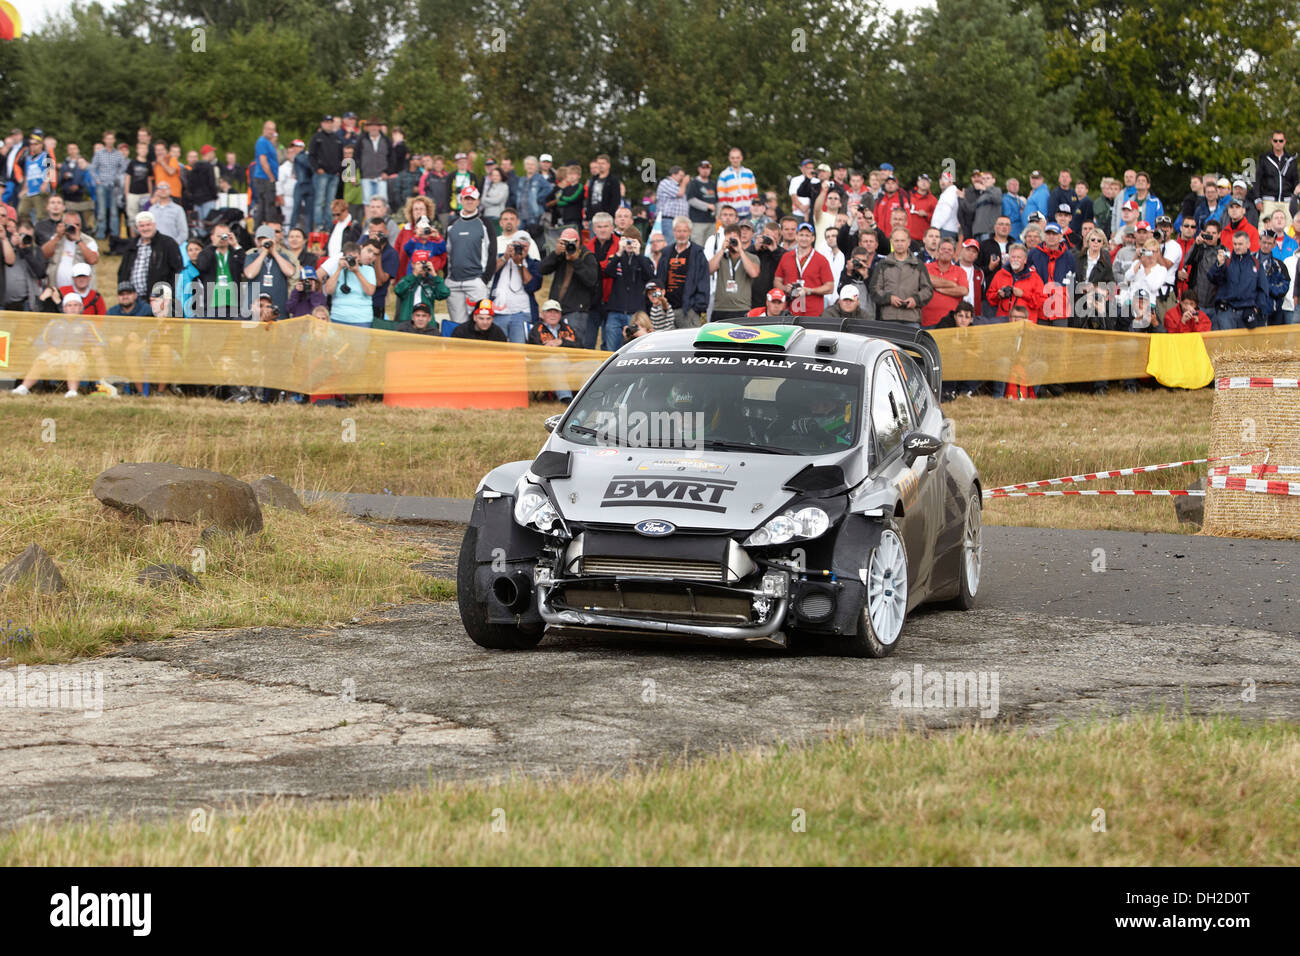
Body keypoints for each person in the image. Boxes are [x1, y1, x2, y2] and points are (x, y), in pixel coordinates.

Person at [11, 290, 114, 397]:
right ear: (64, 308)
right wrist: (48, 348)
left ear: (80, 308)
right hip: (54, 354)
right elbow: (40, 341)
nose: (72, 308)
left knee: (71, 364)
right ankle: (23, 388)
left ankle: (72, 392)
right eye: (69, 305)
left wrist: (95, 349)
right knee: (41, 362)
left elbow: (101, 342)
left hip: (76, 354)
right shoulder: (54, 322)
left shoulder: (87, 324)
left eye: (76, 305)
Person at [443, 185, 496, 327]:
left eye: (472, 199)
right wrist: (446, 278)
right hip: (453, 282)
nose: (469, 202)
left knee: (479, 325)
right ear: (461, 200)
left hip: (476, 282)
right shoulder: (451, 224)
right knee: (458, 326)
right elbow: (446, 252)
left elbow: (492, 253)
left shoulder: (485, 223)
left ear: (478, 201)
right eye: (466, 198)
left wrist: (484, 280)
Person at [539, 227, 600, 343]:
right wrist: (555, 254)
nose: (568, 246)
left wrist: (576, 260)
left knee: (573, 344)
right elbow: (542, 269)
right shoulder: (560, 255)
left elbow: (591, 280)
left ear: (578, 242)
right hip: (557, 310)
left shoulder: (587, 256)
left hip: (576, 310)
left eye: (571, 242)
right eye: (564, 242)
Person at [488, 217, 542, 342]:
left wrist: (520, 264)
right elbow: (488, 274)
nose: (521, 249)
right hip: (499, 311)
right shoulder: (502, 258)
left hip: (521, 313)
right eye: (518, 245)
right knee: (497, 350)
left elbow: (534, 286)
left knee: (518, 351)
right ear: (511, 244)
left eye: (524, 246)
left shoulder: (533, 264)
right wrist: (505, 257)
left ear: (529, 247)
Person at [869, 227, 934, 326]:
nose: (899, 244)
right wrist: (889, 298)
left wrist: (915, 300)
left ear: (908, 242)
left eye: (902, 241)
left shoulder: (918, 264)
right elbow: (874, 289)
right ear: (892, 242)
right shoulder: (883, 264)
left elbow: (928, 290)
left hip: (912, 318)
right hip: (888, 318)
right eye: (896, 241)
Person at [1206, 231, 1269, 330]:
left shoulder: (1256, 263)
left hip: (1247, 312)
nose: (1237, 247)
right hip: (1227, 312)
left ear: (1248, 244)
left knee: (1244, 345)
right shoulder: (1226, 261)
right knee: (1227, 344)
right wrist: (1219, 265)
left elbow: (1263, 289)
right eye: (1235, 244)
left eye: (1240, 244)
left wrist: (1256, 308)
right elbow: (1213, 278)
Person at [655, 216, 710, 327]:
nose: (681, 234)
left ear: (690, 232)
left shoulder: (697, 253)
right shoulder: (666, 252)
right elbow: (659, 280)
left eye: (684, 231)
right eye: (678, 231)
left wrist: (697, 308)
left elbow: (704, 281)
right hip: (667, 310)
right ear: (674, 232)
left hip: (688, 310)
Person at [602, 230, 655, 344]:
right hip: (615, 310)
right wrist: (619, 252)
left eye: (633, 241)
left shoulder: (644, 260)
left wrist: (638, 254)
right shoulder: (616, 258)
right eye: (627, 240)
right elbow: (607, 272)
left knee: (633, 346)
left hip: (635, 313)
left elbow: (650, 277)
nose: (629, 244)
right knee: (612, 348)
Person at [118, 211, 183, 300]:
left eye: (148, 225)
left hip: (160, 298)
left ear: (154, 225)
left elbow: (178, 271)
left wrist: (169, 294)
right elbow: (122, 272)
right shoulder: (131, 246)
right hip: (134, 300)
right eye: (142, 226)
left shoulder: (168, 243)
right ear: (137, 228)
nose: (145, 228)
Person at [774, 222, 834, 317]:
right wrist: (785, 288)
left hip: (813, 313)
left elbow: (830, 287)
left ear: (812, 238)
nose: (804, 238)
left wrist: (809, 290)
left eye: (807, 235)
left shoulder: (821, 259)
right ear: (796, 236)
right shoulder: (786, 257)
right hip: (790, 311)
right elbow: (777, 280)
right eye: (801, 235)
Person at [528, 298, 580, 403]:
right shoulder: (536, 330)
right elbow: (535, 350)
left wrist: (561, 342)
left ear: (560, 315)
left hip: (570, 364)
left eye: (556, 312)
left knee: (594, 363)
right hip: (547, 365)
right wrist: (551, 349)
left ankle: (586, 398)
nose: (553, 315)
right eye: (549, 312)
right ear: (542, 315)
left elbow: (580, 346)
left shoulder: (568, 329)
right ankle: (567, 399)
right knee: (553, 362)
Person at [707, 223, 759, 322]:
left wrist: (740, 250)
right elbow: (709, 270)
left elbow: (754, 273)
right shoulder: (720, 257)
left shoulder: (751, 257)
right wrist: (722, 249)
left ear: (740, 238)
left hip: (742, 308)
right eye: (729, 239)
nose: (732, 241)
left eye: (734, 238)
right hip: (720, 308)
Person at [321, 240, 377, 327]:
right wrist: (339, 269)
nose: (352, 260)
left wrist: (357, 272)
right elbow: (328, 290)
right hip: (338, 317)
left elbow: (370, 291)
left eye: (355, 258)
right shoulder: (337, 268)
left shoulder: (369, 270)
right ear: (343, 257)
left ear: (359, 257)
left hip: (361, 319)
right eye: (349, 258)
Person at [986, 243, 1045, 321]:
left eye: (1019, 257)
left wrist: (1023, 294)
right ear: (1009, 258)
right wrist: (999, 295)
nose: (1015, 259)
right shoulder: (1000, 274)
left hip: (1025, 324)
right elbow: (990, 298)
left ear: (1025, 260)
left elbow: (1041, 302)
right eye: (1013, 257)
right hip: (1004, 322)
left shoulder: (1034, 277)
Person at [685, 160, 718, 246]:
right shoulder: (693, 183)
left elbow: (717, 201)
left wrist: (718, 213)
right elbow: (691, 200)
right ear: (699, 169)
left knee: (710, 246)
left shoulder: (713, 184)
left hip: (712, 221)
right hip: (697, 222)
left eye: (708, 168)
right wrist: (707, 206)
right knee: (697, 247)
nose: (705, 170)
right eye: (703, 168)